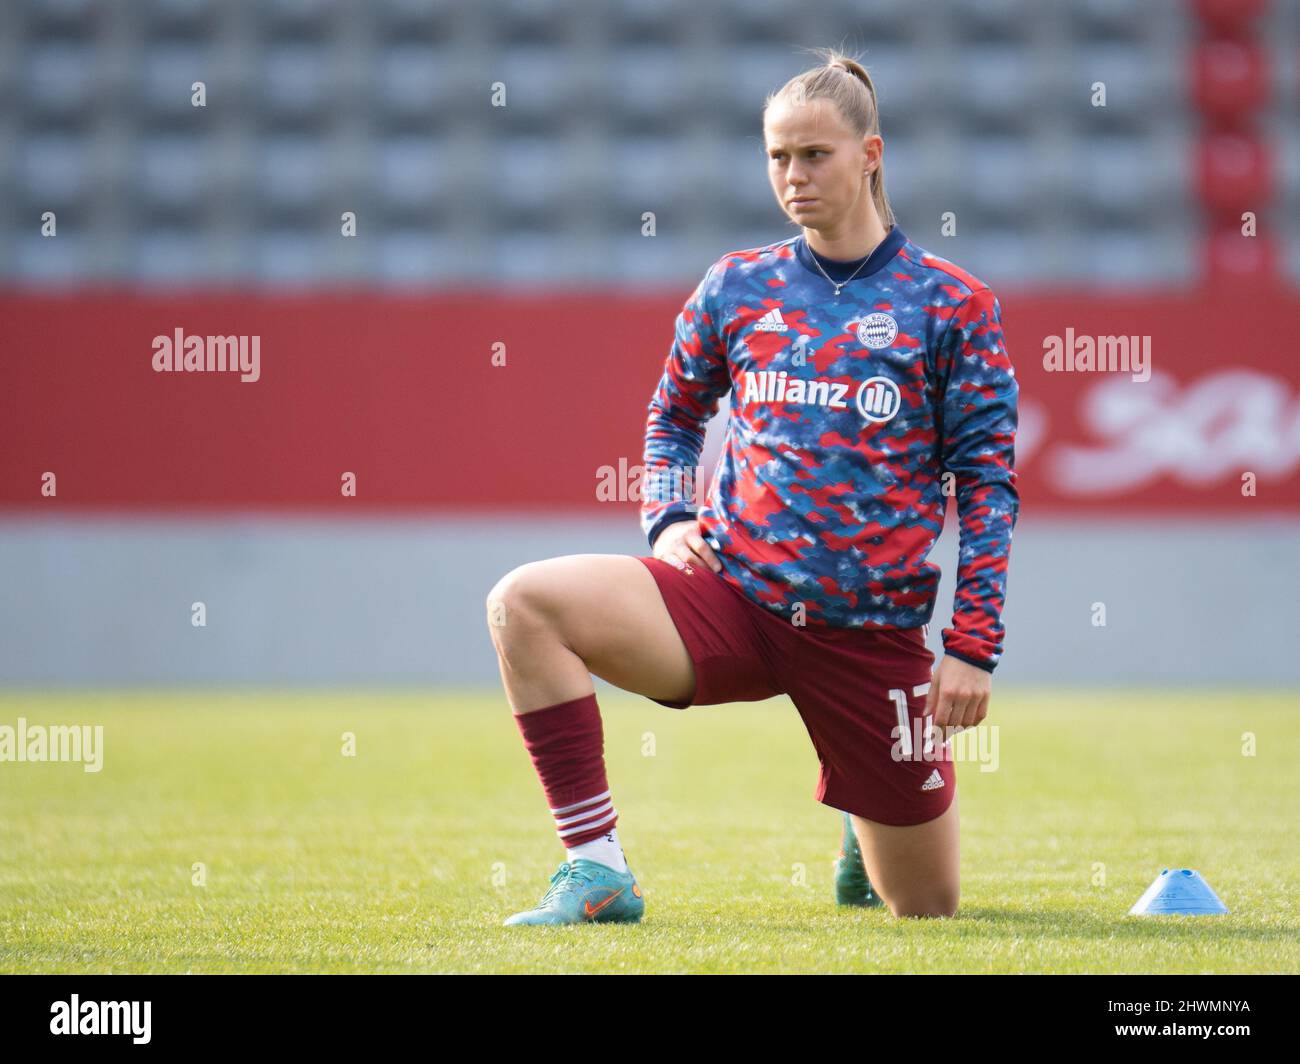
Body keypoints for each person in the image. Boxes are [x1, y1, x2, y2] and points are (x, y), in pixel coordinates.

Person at [485, 47, 1019, 925]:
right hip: (731, 595)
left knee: (925, 910)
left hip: (872, 636)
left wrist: (970, 646)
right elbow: (672, 419)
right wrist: (667, 519)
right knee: (524, 604)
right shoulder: (737, 285)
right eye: (778, 157)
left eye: (816, 155)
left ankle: (863, 814)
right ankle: (598, 870)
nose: (794, 176)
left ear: (870, 155)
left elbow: (989, 486)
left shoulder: (951, 304)